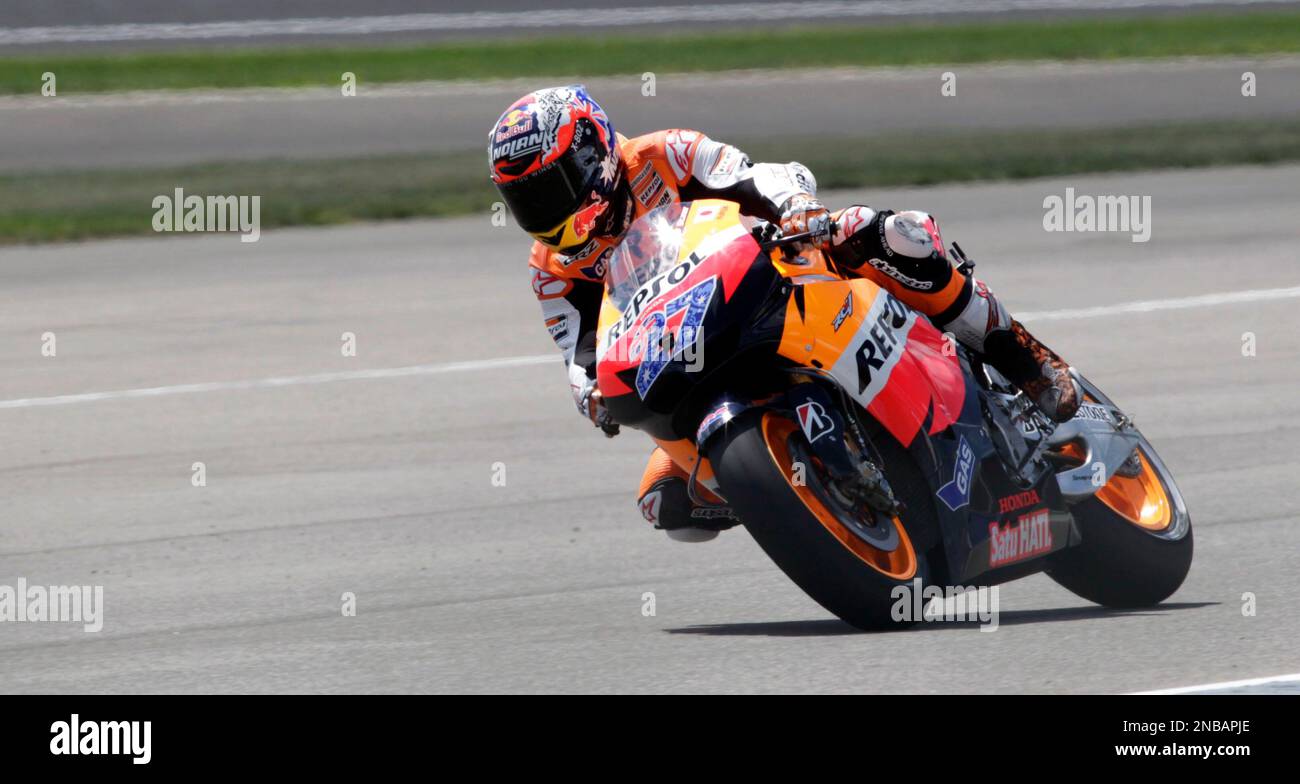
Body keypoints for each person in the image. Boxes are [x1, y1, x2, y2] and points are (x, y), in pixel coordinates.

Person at [489, 85, 1080, 541]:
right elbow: (580, 352)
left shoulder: (664, 154)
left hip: (774, 276)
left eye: (553, 186)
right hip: (691, 350)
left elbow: (758, 175)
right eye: (526, 201)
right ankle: (797, 497)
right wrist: (588, 390)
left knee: (890, 236)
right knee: (667, 504)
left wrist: (797, 208)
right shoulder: (551, 267)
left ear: (595, 152)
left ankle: (1019, 353)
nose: (544, 211)